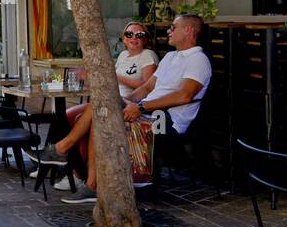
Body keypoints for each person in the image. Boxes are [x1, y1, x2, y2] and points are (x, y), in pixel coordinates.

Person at [33, 13, 211, 203]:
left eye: (173, 27)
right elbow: (147, 87)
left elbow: (185, 95)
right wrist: (125, 101)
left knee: (101, 114)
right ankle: (85, 176)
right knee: (102, 107)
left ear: (189, 30)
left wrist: (141, 107)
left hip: (167, 121)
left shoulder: (197, 60)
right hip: (149, 110)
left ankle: (69, 159)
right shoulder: (171, 57)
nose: (169, 31)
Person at [50, 21, 159, 190]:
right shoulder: (123, 56)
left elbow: (144, 84)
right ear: (123, 39)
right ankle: (56, 163)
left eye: (140, 35)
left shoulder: (148, 55)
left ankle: (78, 174)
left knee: (83, 120)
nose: (134, 38)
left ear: (146, 39)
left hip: (126, 102)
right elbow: (111, 81)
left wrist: (113, 76)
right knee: (65, 116)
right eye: (130, 34)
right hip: (110, 97)